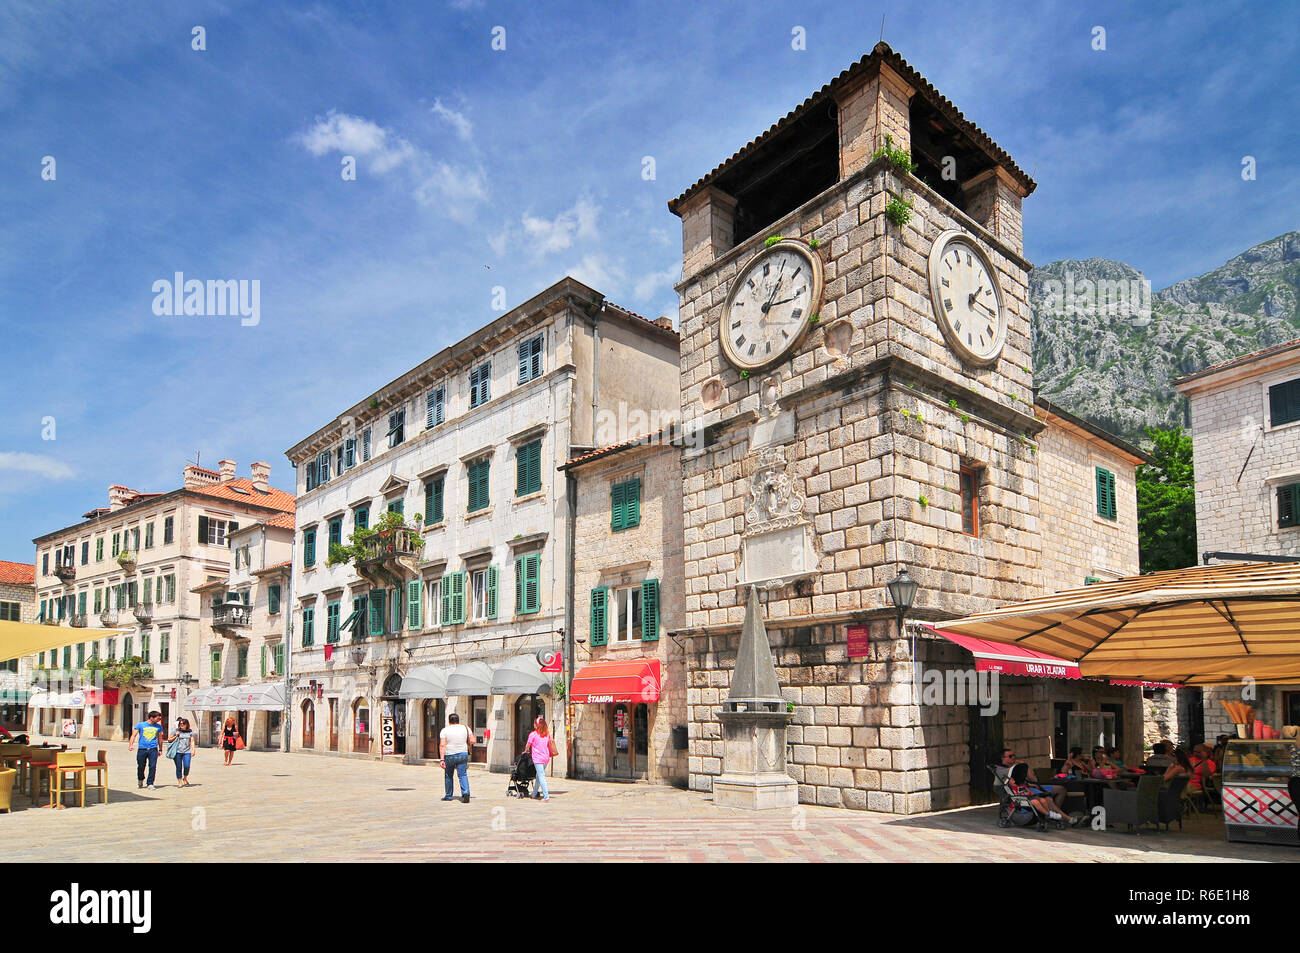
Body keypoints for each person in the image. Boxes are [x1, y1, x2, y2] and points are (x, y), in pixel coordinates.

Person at [995, 749, 1067, 812]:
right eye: (1010, 756)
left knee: (1061, 789)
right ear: (1002, 758)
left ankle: (1055, 812)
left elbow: (1033, 779)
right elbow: (1013, 784)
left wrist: (1024, 765)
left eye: (1014, 755)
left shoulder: (1019, 766)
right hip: (1026, 788)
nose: (1013, 758)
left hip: (1033, 785)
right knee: (1046, 798)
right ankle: (1053, 814)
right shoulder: (1002, 770)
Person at [439, 712, 474, 803]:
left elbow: (442, 745)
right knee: (462, 774)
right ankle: (466, 792)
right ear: (458, 720)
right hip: (463, 753)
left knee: (448, 775)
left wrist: (442, 759)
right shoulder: (465, 728)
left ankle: (448, 795)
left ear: (449, 721)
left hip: (449, 754)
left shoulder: (445, 730)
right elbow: (473, 740)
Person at [128, 710, 168, 790]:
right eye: (158, 718)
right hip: (142, 749)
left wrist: (160, 749)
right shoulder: (141, 725)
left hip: (153, 749)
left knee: (152, 766)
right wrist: (131, 745)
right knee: (141, 766)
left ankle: (150, 783)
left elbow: (160, 738)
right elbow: (133, 735)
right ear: (151, 718)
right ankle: (140, 779)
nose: (159, 720)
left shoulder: (159, 727)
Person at [524, 715, 557, 801]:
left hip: (538, 758)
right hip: (546, 758)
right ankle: (534, 794)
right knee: (538, 776)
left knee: (541, 776)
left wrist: (525, 750)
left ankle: (546, 796)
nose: (534, 725)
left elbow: (528, 745)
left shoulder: (533, 734)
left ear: (537, 725)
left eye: (535, 723)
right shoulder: (547, 735)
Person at [172, 717, 196, 787]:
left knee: (187, 766)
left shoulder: (190, 732)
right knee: (178, 767)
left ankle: (185, 778)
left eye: (183, 723)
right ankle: (179, 781)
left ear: (187, 724)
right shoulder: (175, 731)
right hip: (177, 752)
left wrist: (193, 750)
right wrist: (176, 735)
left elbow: (192, 741)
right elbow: (169, 739)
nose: (181, 725)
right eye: (180, 723)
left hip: (187, 752)